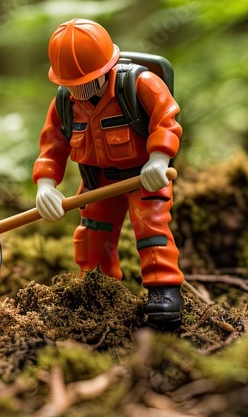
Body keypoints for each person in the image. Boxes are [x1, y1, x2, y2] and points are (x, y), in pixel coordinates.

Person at [33, 19, 184, 324]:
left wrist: (158, 158)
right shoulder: (64, 102)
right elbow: (52, 143)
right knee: (92, 236)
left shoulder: (139, 84)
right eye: (71, 84)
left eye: (85, 82)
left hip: (144, 177)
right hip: (97, 182)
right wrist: (45, 184)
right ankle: (98, 290)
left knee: (152, 232)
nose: (78, 90)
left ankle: (163, 291)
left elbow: (166, 120)